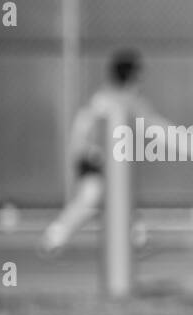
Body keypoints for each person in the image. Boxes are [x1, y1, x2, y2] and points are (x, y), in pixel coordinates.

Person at [40, 49, 169, 256]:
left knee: (119, 197)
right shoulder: (104, 101)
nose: (141, 81)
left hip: (111, 163)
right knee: (90, 199)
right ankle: (54, 238)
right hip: (95, 161)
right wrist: (84, 152)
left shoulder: (130, 101)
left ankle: (137, 237)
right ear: (130, 76)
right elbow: (83, 128)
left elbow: (152, 123)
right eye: (138, 75)